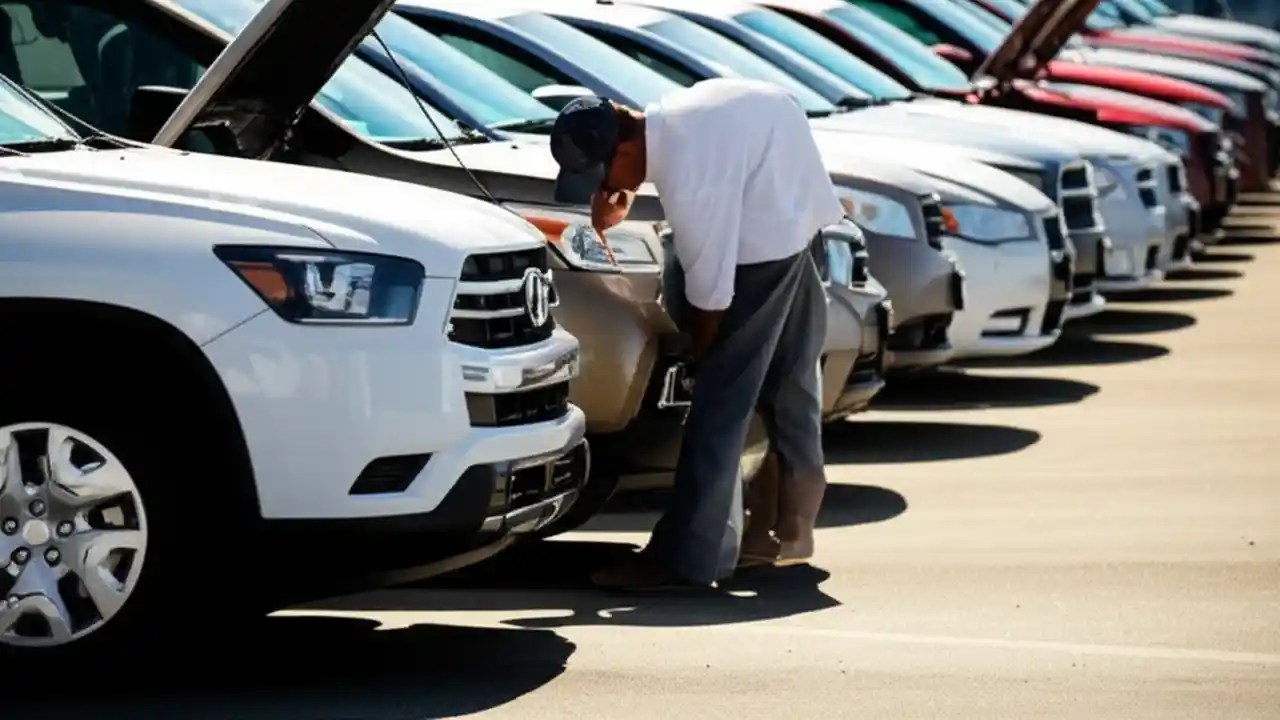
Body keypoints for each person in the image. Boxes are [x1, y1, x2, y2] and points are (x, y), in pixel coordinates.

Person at [548, 78, 842, 590]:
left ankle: (685, 559)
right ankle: (784, 534)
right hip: (798, 216)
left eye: (601, 177)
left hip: (767, 245)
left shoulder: (689, 172)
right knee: (790, 384)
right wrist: (623, 189)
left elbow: (711, 295)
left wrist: (704, 356)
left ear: (627, 143)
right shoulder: (680, 115)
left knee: (717, 405)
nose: (603, 190)